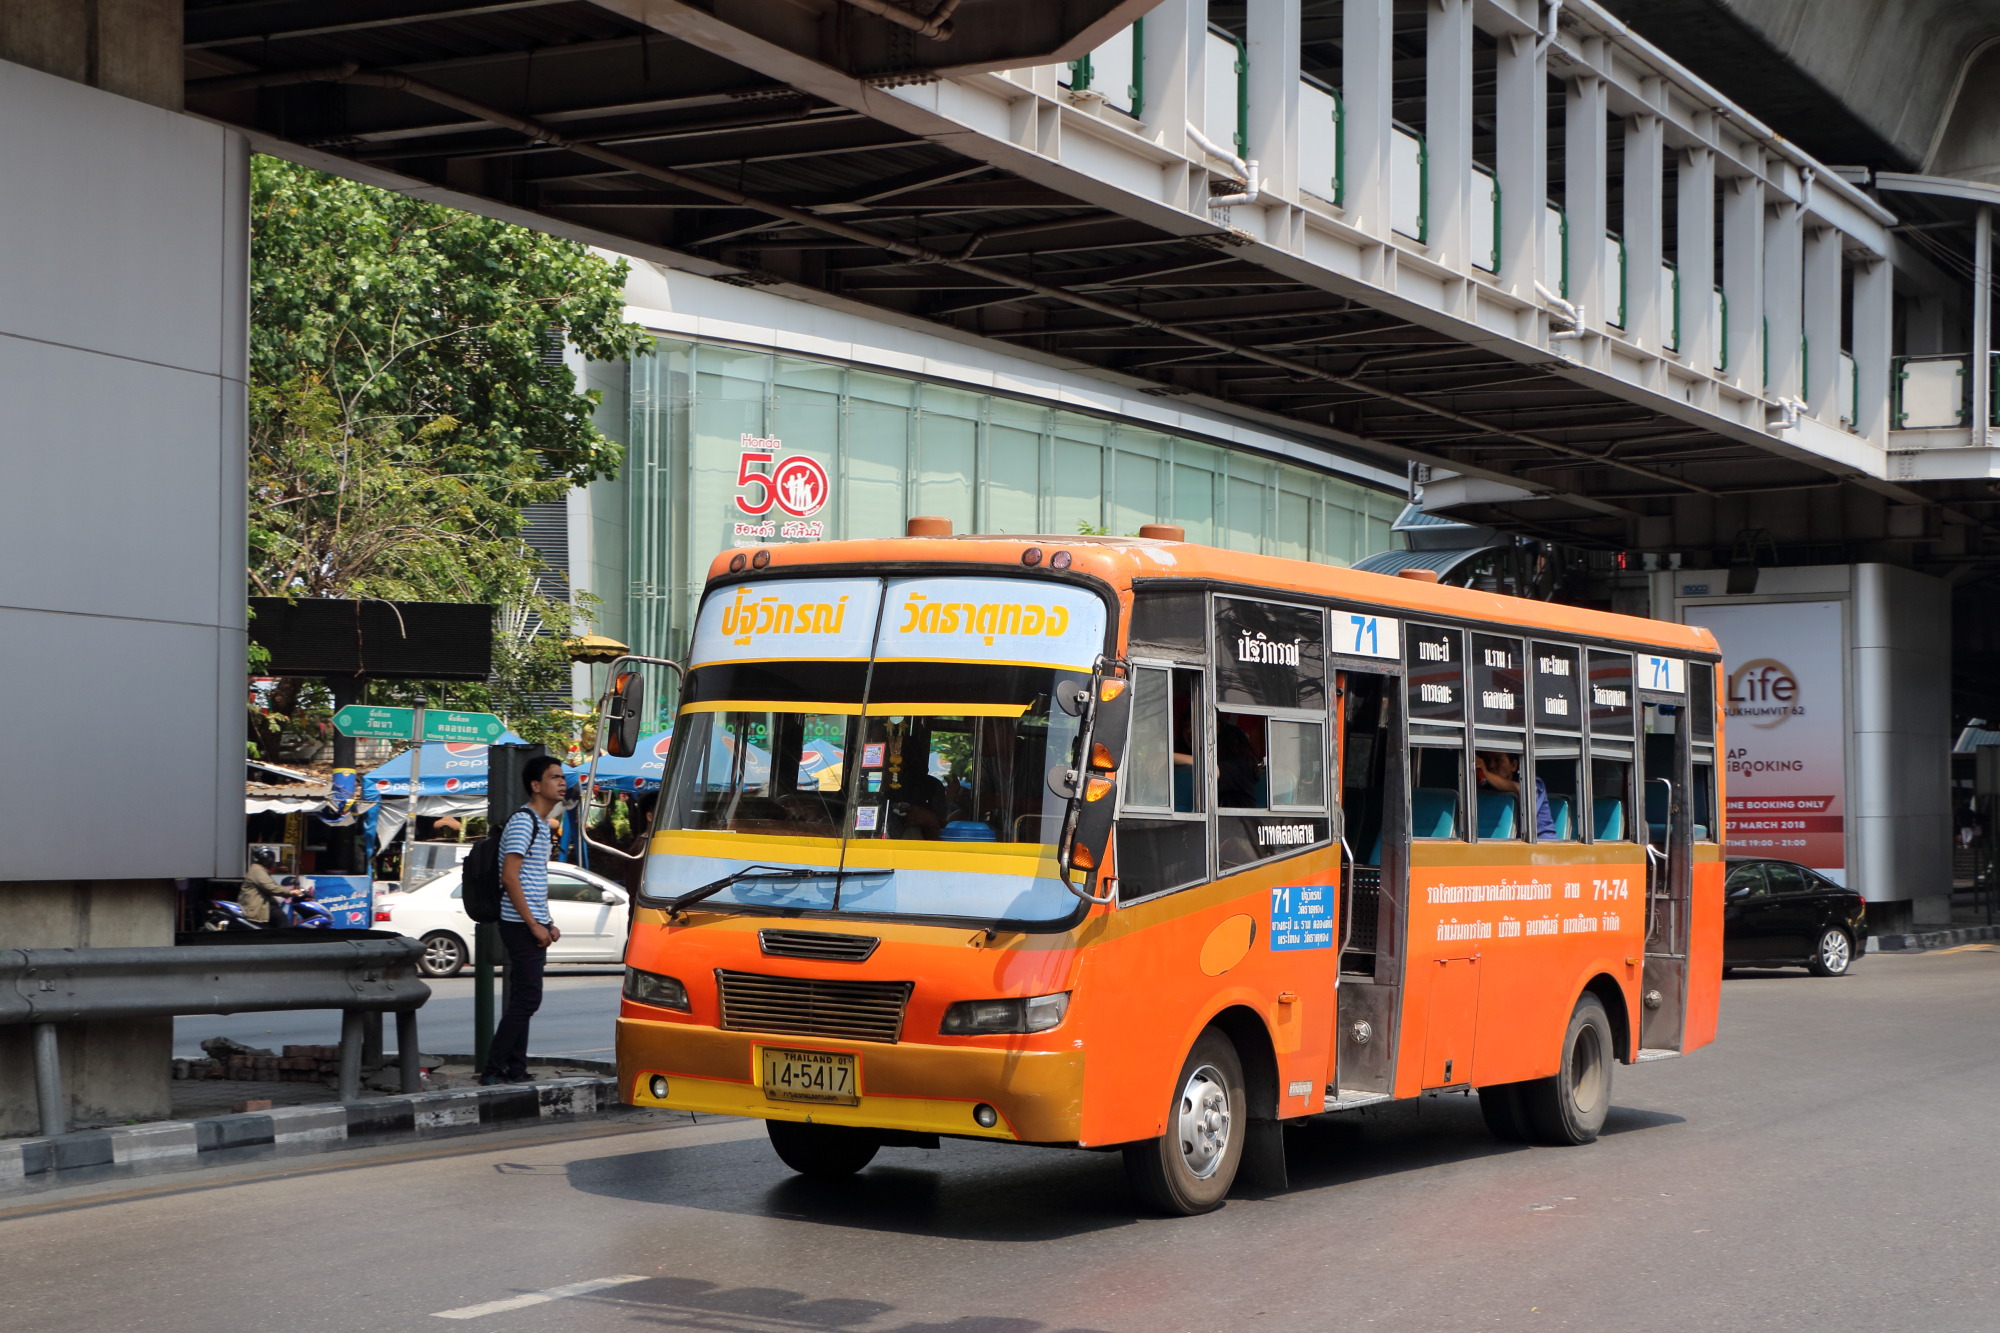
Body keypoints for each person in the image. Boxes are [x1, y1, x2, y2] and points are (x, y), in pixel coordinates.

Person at [482, 755, 567, 1086]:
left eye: (562, 777)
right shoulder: (524, 822)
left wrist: (548, 921)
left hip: (531, 921)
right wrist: (533, 924)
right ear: (536, 785)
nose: (561, 782)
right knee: (529, 998)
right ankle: (493, 1068)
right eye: (554, 777)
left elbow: (534, 880)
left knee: (523, 998)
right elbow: (510, 878)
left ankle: (515, 1068)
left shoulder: (542, 826)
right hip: (517, 923)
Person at [1476, 751, 1555, 840]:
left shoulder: (1533, 782)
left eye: (1498, 760)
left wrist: (1486, 773)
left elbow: (1519, 788)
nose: (1491, 766)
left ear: (1513, 765)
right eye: (1487, 761)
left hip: (1541, 842)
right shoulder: (1489, 787)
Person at [238, 847, 301, 925]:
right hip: (256, 907)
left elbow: (274, 885)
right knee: (281, 917)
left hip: (262, 904)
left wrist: (289, 892)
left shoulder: (260, 870)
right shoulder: (257, 870)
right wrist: (290, 892)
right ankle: (285, 937)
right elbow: (270, 887)